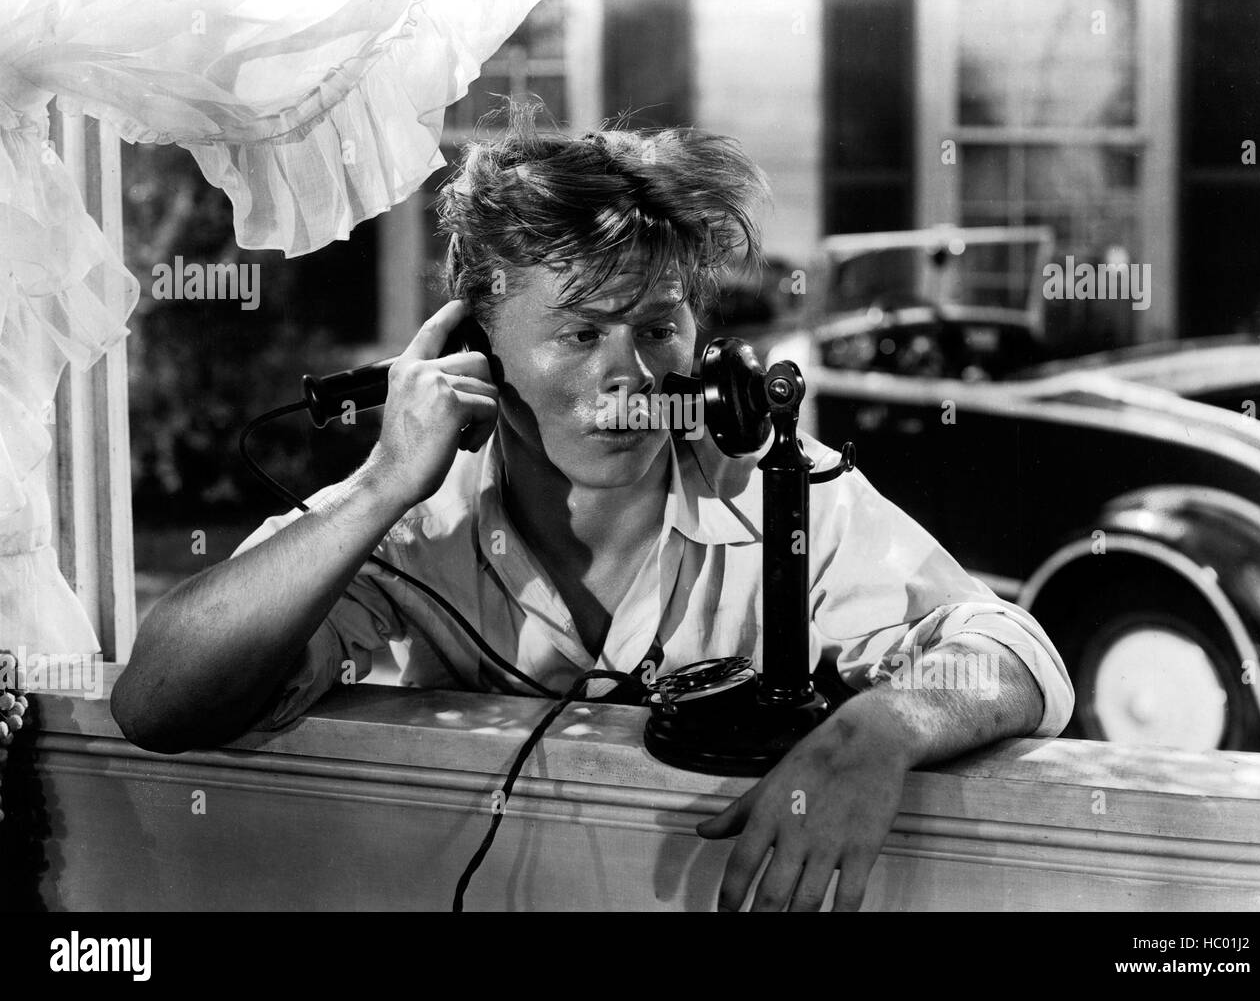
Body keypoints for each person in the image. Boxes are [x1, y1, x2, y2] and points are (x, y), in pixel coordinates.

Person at [113, 105, 1073, 912]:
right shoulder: (410, 513)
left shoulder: (772, 483)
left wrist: (883, 728)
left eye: (658, 326)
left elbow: (1018, 655)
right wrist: (378, 486)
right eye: (579, 333)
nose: (630, 377)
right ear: (477, 352)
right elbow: (159, 698)